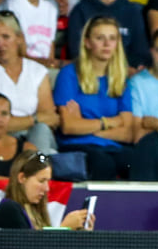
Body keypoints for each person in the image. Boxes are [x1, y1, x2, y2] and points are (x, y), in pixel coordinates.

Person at [54, 15, 135, 179]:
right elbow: (69, 127)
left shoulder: (121, 78)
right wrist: (110, 122)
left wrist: (88, 127)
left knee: (139, 161)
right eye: (100, 38)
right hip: (76, 146)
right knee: (103, 163)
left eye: (112, 38)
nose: (107, 44)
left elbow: (127, 131)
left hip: (112, 146)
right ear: (87, 42)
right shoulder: (69, 74)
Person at [0, 10, 57, 152]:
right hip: (0, 137)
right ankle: (39, 165)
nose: (0, 43)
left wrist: (20, 122)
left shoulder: (38, 71)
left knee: (41, 131)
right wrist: (34, 119)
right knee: (40, 134)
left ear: (19, 38)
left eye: (5, 37)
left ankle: (39, 167)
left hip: (34, 136)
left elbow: (51, 118)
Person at [0, 150, 92, 229]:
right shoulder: (8, 210)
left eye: (48, 181)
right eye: (41, 180)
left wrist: (79, 235)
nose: (47, 188)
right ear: (22, 178)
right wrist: (65, 228)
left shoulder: (36, 211)